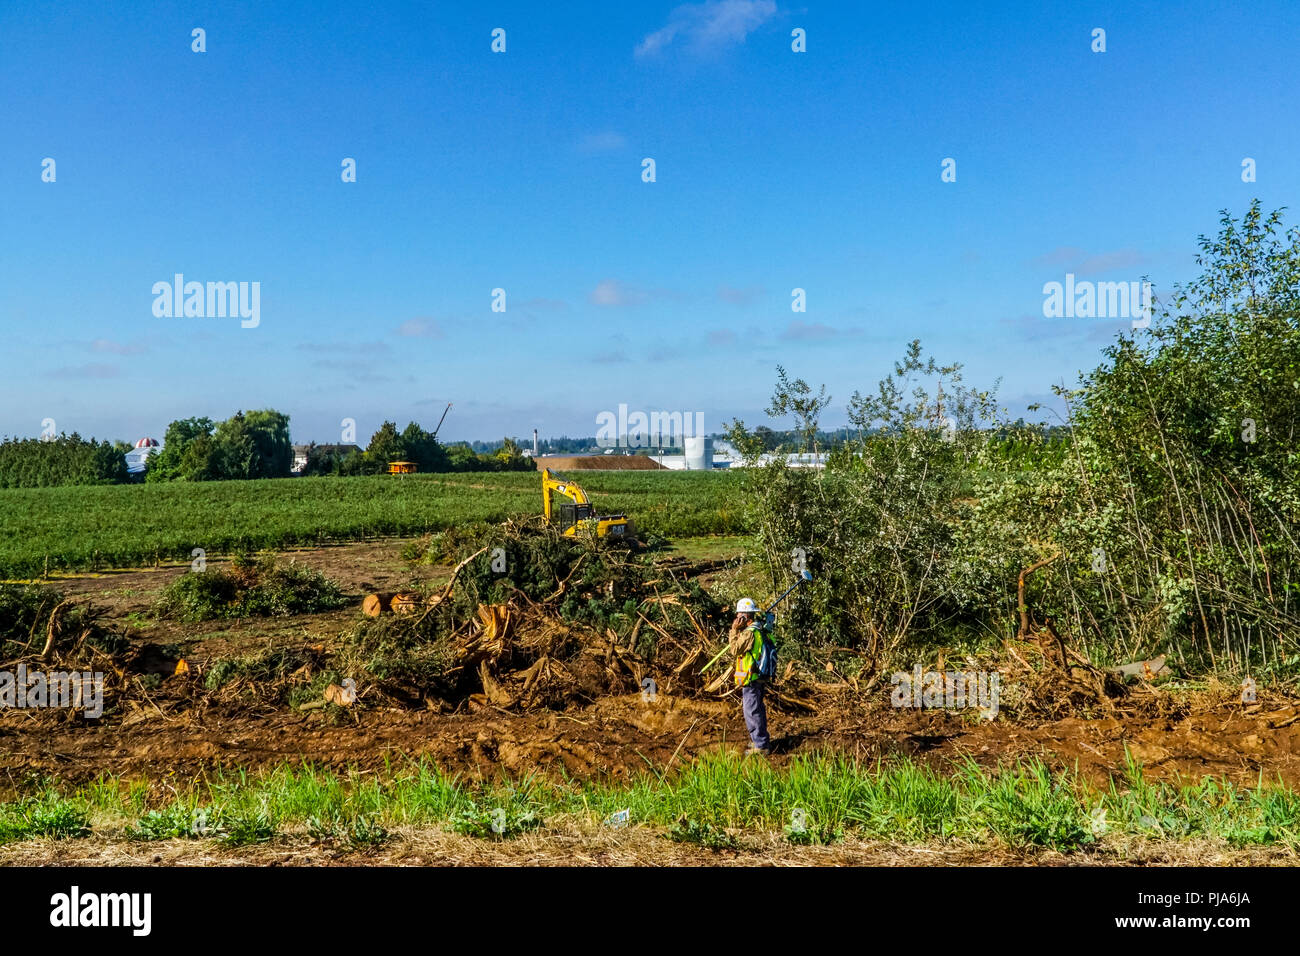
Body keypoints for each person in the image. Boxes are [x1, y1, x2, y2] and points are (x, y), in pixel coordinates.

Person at [729, 597, 771, 754]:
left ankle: (760, 745)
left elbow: (735, 650)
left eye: (739, 615)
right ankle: (760, 741)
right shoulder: (759, 629)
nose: (737, 618)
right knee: (757, 710)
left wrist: (734, 630)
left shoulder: (749, 633)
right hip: (757, 677)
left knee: (751, 711)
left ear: (744, 616)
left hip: (751, 679)